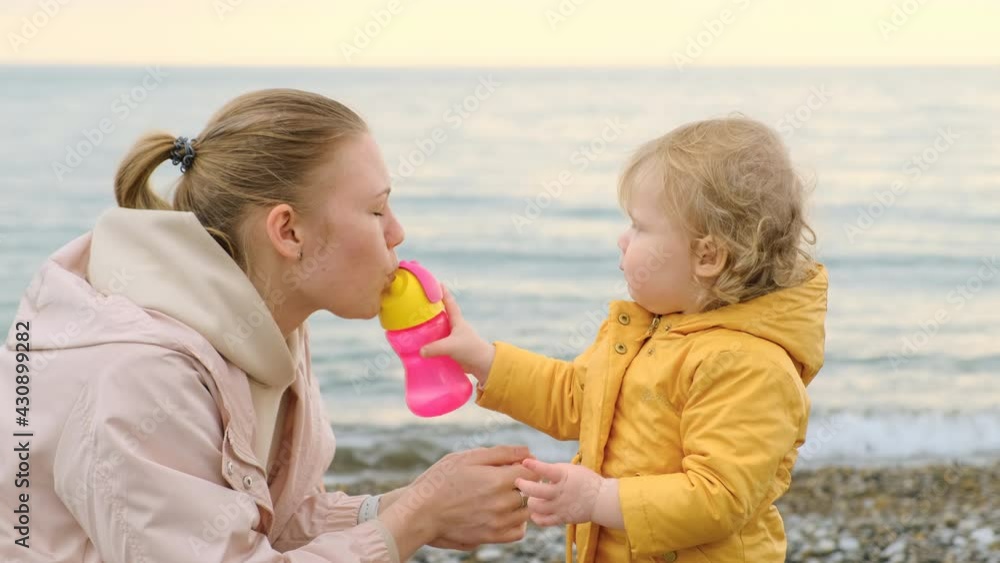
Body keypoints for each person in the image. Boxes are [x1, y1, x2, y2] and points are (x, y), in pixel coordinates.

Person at [0, 88, 536, 562]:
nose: (397, 233)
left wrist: (399, 508)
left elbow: (262, 523)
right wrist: (413, 520)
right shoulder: (140, 376)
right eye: (376, 212)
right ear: (288, 232)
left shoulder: (264, 324)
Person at [421, 116, 829, 562]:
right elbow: (577, 397)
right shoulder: (644, 332)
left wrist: (597, 499)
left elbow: (718, 498)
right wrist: (482, 359)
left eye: (639, 226)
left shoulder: (748, 365)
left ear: (707, 256)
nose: (622, 239)